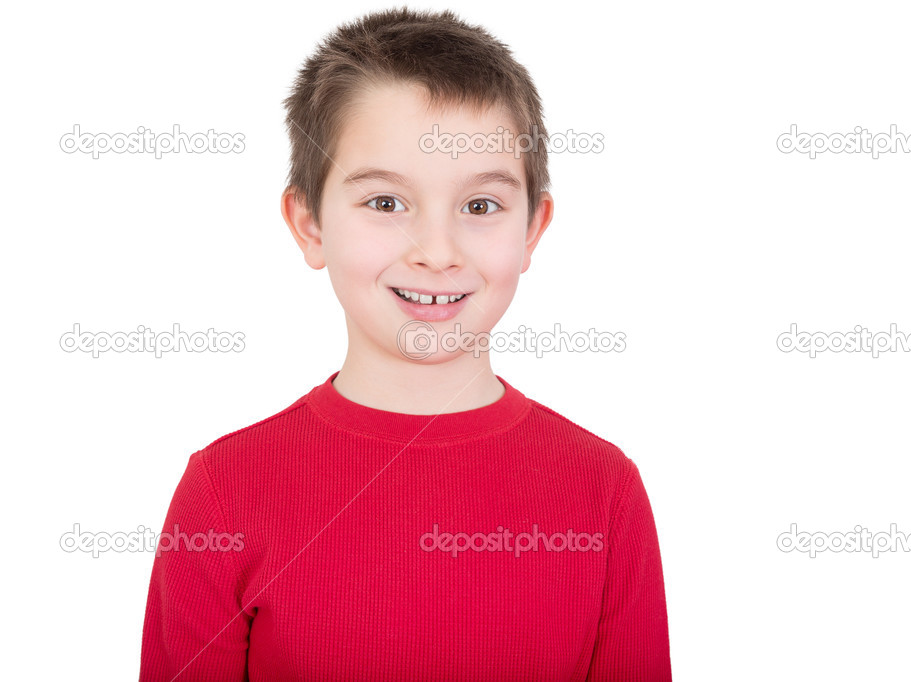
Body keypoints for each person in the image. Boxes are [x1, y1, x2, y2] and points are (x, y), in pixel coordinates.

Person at [140, 7, 670, 680]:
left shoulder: (605, 492)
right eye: (386, 203)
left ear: (532, 230)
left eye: (480, 207)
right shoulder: (223, 493)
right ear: (309, 225)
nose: (437, 253)